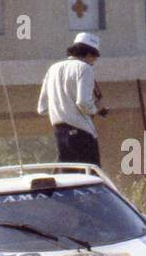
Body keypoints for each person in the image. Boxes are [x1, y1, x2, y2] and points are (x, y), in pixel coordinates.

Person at [37, 33, 109, 166]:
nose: (93, 63)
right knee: (90, 178)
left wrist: (63, 110)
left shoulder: (52, 69)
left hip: (60, 134)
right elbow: (83, 102)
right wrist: (96, 110)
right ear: (89, 54)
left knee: (68, 179)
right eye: (94, 58)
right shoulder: (84, 68)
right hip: (82, 133)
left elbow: (42, 108)